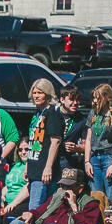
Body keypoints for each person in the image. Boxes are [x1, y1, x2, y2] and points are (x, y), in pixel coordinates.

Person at [25, 77, 63, 211]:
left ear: (47, 94)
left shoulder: (52, 113)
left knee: (36, 210)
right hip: (34, 168)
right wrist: (28, 166)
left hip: (43, 171)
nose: (36, 96)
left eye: (40, 93)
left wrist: (48, 167)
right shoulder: (37, 114)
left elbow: (55, 142)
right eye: (34, 93)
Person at [84, 83, 112, 198]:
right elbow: (88, 139)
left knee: (111, 195)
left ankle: (111, 215)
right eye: (93, 97)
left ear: (107, 98)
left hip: (109, 157)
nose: (95, 100)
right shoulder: (93, 113)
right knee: (96, 195)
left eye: (98, 98)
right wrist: (87, 161)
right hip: (94, 158)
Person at [2, 139, 31, 215]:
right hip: (7, 202)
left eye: (27, 149)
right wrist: (1, 195)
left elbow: (29, 187)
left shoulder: (32, 167)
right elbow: (8, 186)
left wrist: (12, 204)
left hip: (21, 203)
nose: (23, 152)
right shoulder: (16, 166)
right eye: (20, 150)